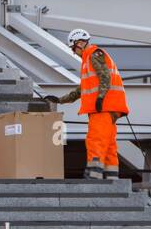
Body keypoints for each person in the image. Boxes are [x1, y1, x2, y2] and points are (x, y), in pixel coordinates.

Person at [53, 29, 129, 179]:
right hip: (111, 108)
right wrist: (60, 100)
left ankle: (93, 176)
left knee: (96, 140)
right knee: (109, 145)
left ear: (80, 43)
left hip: (102, 108)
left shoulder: (94, 55)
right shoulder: (91, 58)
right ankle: (112, 178)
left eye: (74, 48)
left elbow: (105, 76)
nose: (74, 52)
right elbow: (82, 90)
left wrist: (100, 98)